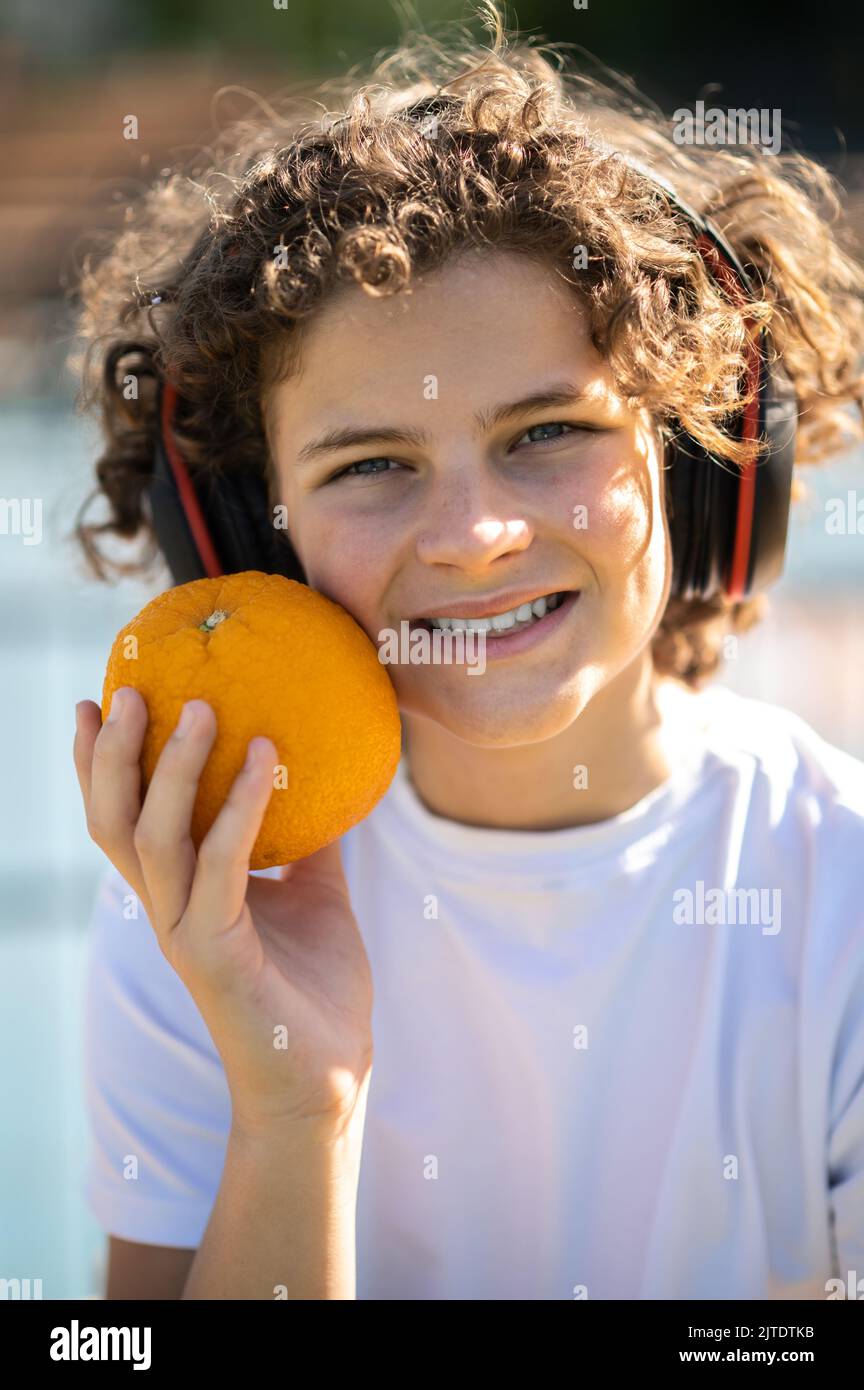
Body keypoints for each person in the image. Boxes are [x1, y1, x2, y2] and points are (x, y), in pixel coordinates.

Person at [70, 2, 864, 1299]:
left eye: (549, 432)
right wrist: (295, 1109)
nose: (478, 535)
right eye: (373, 462)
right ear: (241, 539)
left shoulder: (838, 892)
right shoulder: (199, 907)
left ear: (707, 465)